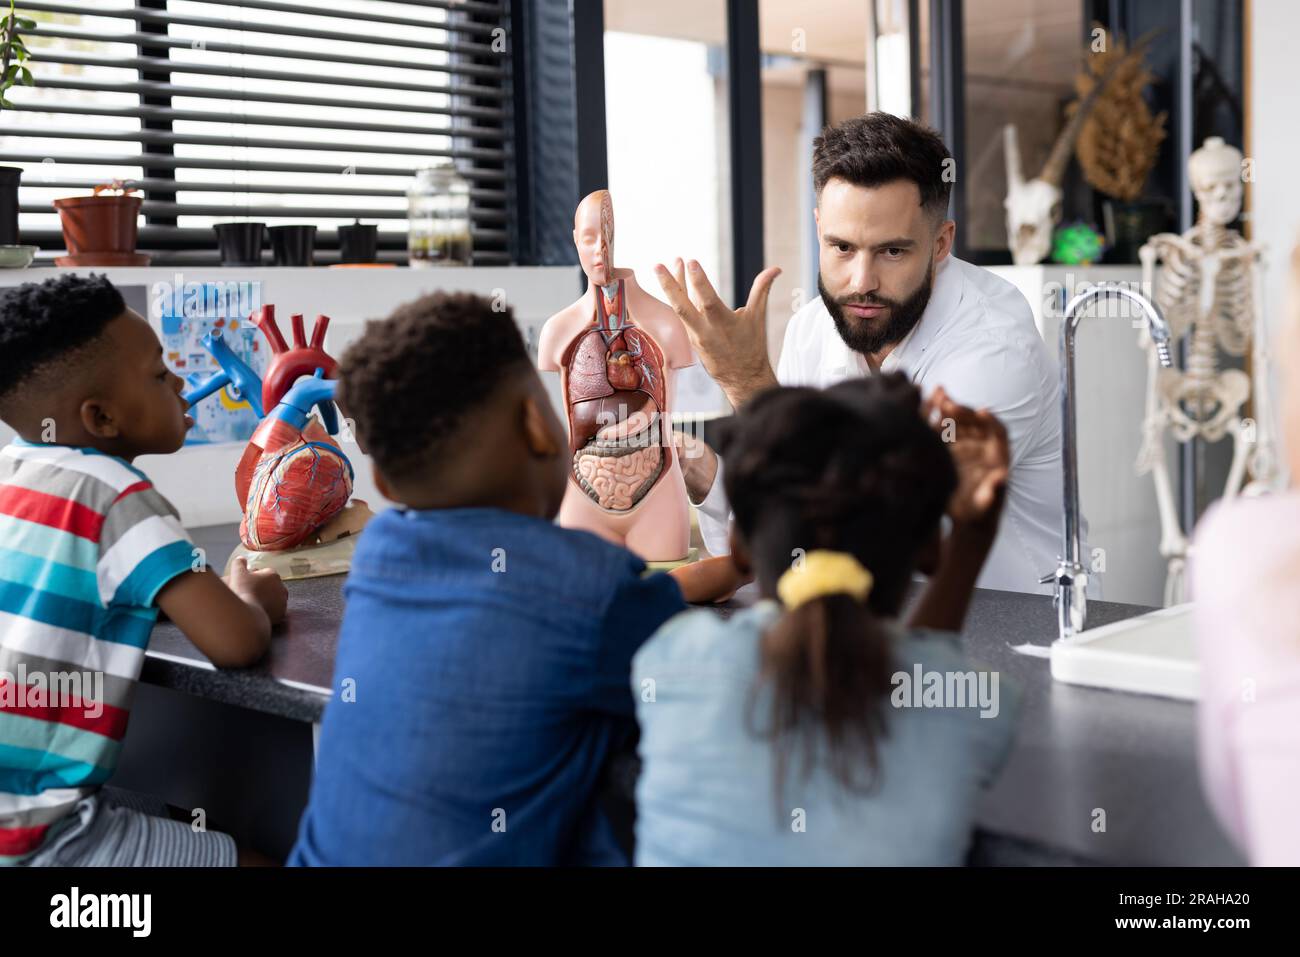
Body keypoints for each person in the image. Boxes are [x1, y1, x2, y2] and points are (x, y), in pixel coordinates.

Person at [290, 292, 686, 866]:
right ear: (538, 425)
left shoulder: (378, 551)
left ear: (385, 482)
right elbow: (701, 670)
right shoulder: (590, 583)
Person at [659, 112, 1072, 595]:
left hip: (1016, 625)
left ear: (940, 243)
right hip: (866, 622)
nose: (862, 282)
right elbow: (787, 528)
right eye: (841, 247)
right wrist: (710, 480)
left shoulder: (996, 349)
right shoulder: (811, 329)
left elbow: (874, 524)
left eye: (892, 252)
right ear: (818, 228)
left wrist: (749, 384)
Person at [633, 373, 1021, 865]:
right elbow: (918, 678)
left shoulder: (669, 664)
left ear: (740, 544)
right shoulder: (980, 706)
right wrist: (973, 536)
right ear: (929, 549)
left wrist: (739, 558)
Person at [0, 273, 286, 866]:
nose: (179, 380)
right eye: (159, 374)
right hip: (43, 841)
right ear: (102, 418)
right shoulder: (117, 495)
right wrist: (252, 595)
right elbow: (234, 641)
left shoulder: (12, 473)